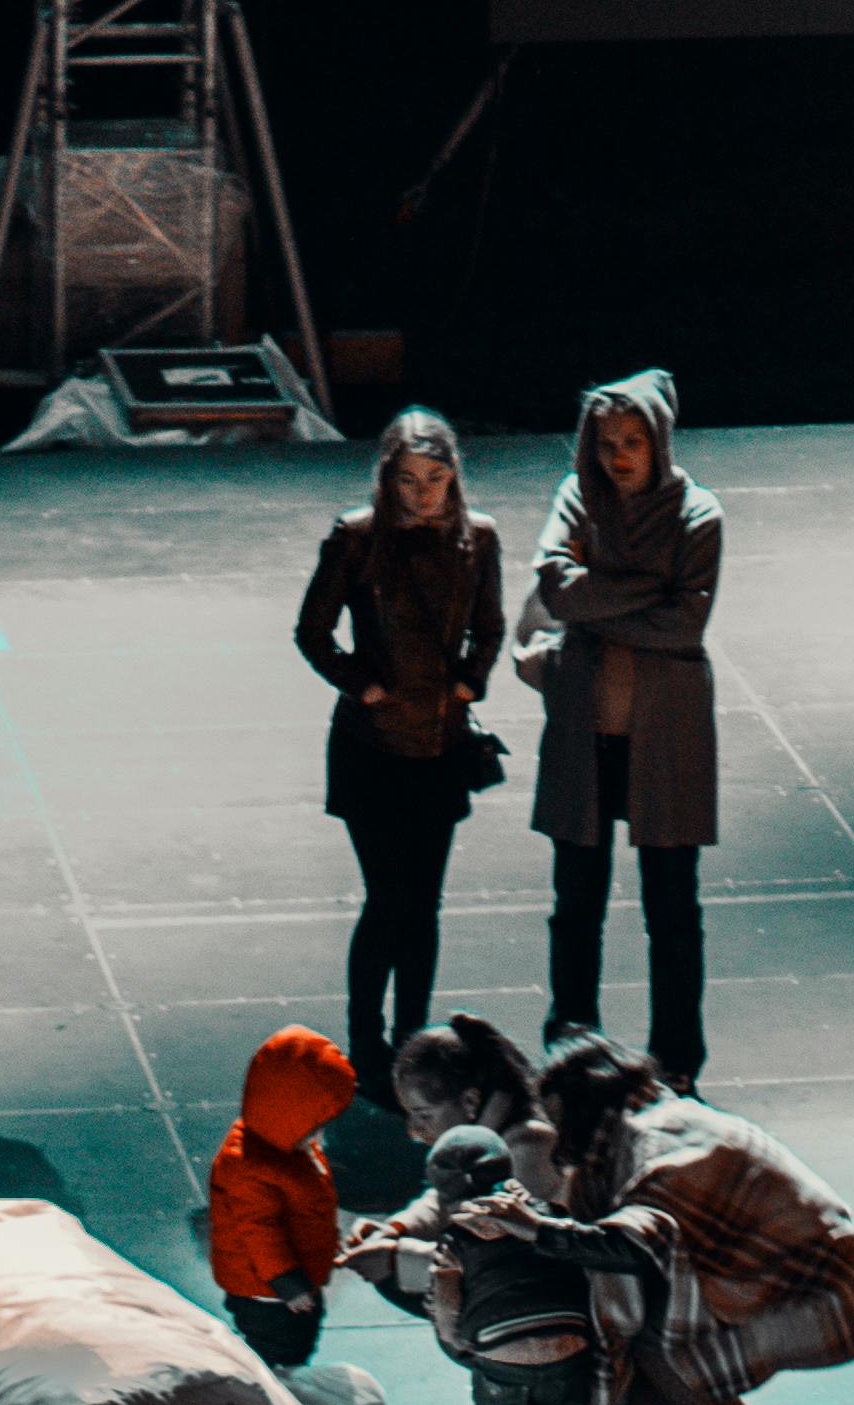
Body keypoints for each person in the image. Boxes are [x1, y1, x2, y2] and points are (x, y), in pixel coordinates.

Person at [543, 1033, 854, 1405]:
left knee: (653, 1350)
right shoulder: (668, 1115)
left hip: (830, 1306)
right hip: (837, 1279)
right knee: (656, 1342)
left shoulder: (655, 1155)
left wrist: (540, 1233)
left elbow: (625, 1275)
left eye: (560, 1123)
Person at [294, 408, 507, 1093]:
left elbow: (490, 626)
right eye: (409, 480)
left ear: (454, 477)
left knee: (424, 905)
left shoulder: (477, 538)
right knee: (389, 898)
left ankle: (413, 1042)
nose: (423, 493)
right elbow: (312, 631)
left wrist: (471, 682)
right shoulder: (357, 537)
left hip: (439, 746)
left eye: (435, 478)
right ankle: (366, 1041)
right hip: (373, 748)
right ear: (388, 480)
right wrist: (365, 687)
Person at [520, 369, 722, 1087]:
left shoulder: (698, 514)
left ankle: (677, 1060)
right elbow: (554, 587)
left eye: (634, 442)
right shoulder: (578, 496)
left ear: (658, 442)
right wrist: (641, 592)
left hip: (665, 733)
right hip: (587, 728)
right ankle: (571, 1045)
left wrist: (595, 604)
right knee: (576, 905)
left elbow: (684, 624)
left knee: (672, 908)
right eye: (608, 443)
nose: (619, 457)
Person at [343, 1126, 671, 1405]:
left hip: (502, 1353)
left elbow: (447, 1299)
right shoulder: (548, 1216)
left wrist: (455, 1338)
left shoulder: (457, 1239)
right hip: (568, 1344)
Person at [206, 1023, 359, 1371]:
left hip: (282, 1286)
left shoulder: (284, 1146)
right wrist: (288, 1283)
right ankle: (278, 1385)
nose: (318, 1133)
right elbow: (260, 1232)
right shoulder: (252, 1167)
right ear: (291, 1117)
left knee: (298, 1339)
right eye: (314, 1125)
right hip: (268, 1294)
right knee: (282, 1349)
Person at [391, 1014, 553, 1177]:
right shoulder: (476, 1156)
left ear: (470, 1101)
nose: (413, 1132)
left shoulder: (525, 1150)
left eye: (424, 1115)